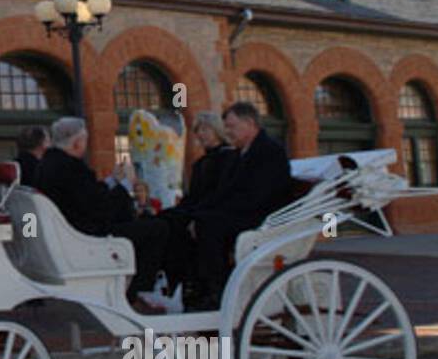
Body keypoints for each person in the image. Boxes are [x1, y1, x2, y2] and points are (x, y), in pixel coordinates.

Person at [35, 116, 171, 308]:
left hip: (72, 231)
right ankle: (140, 291)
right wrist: (126, 184)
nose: (86, 146)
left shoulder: (51, 164)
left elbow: (86, 195)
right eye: (84, 141)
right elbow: (99, 209)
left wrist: (112, 180)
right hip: (86, 236)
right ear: (76, 143)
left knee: (146, 223)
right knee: (158, 228)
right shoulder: (68, 168)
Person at [186, 101, 292, 308]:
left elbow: (258, 196)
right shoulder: (238, 154)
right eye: (226, 127)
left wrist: (207, 215)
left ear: (250, 123)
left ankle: (220, 290)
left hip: (262, 217)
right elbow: (223, 192)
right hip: (243, 212)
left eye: (231, 127)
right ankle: (198, 287)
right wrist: (197, 212)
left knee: (209, 225)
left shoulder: (270, 151)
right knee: (198, 221)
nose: (227, 132)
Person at [176, 112, 237, 213]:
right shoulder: (199, 163)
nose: (200, 134)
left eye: (204, 129)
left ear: (217, 130)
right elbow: (193, 196)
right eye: (197, 130)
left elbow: (222, 194)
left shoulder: (230, 156)